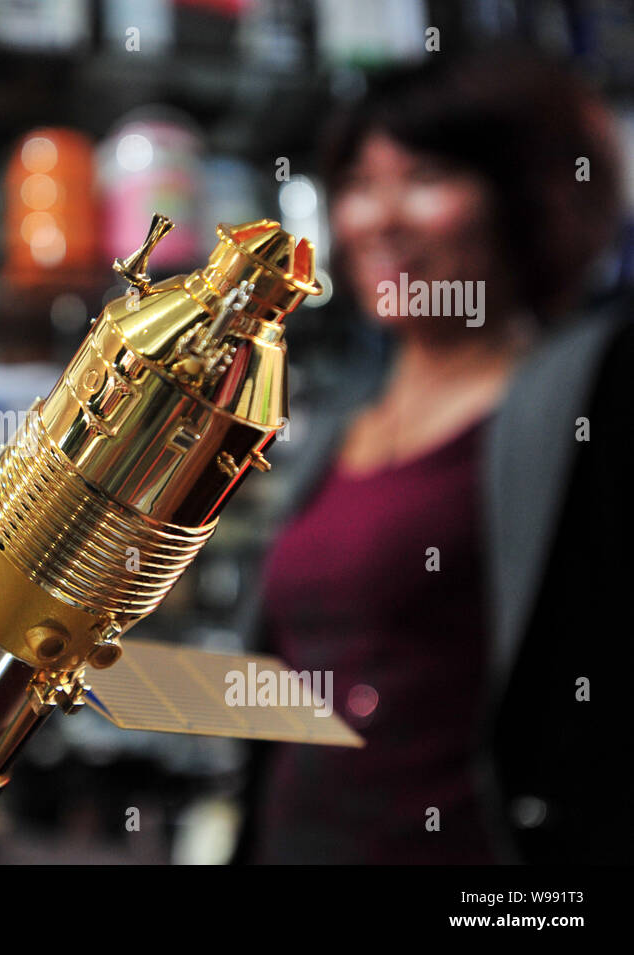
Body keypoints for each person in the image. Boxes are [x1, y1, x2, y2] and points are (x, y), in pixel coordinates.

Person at [236, 46, 634, 864]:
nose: (379, 218)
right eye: (357, 183)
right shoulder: (341, 426)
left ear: (519, 201)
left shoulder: (582, 400)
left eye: (423, 177)